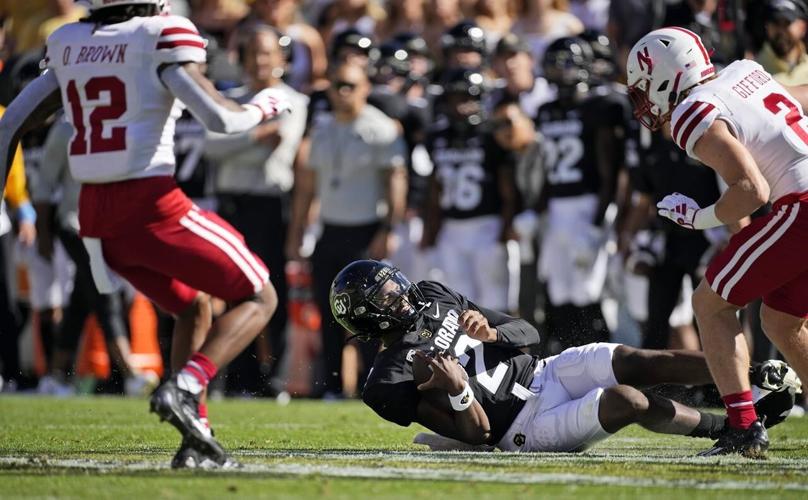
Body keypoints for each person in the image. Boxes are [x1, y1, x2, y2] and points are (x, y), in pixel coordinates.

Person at [0, 0, 292, 468]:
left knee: (192, 306)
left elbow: (10, 124)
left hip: (95, 214)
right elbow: (222, 120)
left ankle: (195, 439)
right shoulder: (157, 36)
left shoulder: (71, 42)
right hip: (151, 204)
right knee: (262, 297)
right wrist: (267, 103)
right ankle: (185, 385)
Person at [329, 259, 799, 453]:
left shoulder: (434, 295)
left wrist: (493, 329)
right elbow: (477, 434)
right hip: (521, 426)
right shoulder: (385, 383)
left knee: (634, 358)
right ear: (371, 318)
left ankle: (756, 375)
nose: (400, 293)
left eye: (393, 283)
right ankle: (729, 428)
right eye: (385, 296)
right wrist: (455, 392)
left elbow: (528, 332)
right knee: (624, 399)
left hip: (543, 372)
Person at [626, 26, 808, 457]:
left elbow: (752, 190)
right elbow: (798, 97)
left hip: (801, 206)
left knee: (710, 304)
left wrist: (699, 217)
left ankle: (743, 426)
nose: (644, 101)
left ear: (665, 76)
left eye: (643, 88)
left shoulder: (691, 112)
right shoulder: (744, 71)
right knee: (781, 321)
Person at [285, 61, 408, 398]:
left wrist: (388, 228)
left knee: (371, 314)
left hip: (367, 230)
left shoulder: (381, 128)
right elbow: (307, 187)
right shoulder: (322, 129)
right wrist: (297, 231)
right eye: (337, 85)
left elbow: (395, 180)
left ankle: (371, 382)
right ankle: (333, 385)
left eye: (350, 86)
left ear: (366, 88)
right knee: (327, 311)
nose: (342, 93)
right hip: (330, 229)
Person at [206, 25, 308, 399]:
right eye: (255, 54)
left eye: (268, 54)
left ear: (282, 59)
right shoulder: (230, 97)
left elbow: (283, 145)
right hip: (232, 203)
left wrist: (239, 137)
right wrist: (256, 136)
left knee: (272, 291)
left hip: (269, 205)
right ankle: (239, 376)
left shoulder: (294, 99)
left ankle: (275, 378)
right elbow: (210, 147)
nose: (261, 61)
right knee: (232, 290)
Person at [535, 36, 626, 350]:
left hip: (587, 205)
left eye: (568, 65)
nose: (561, 73)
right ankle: (567, 357)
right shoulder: (545, 111)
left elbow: (608, 172)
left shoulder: (599, 107)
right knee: (559, 290)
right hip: (558, 208)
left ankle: (598, 356)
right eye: (555, 66)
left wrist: (597, 223)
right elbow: (544, 168)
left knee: (588, 290)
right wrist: (538, 210)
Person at [422, 68, 518, 311]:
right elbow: (435, 188)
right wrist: (431, 231)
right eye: (457, 98)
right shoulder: (437, 136)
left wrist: (505, 228)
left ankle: (502, 350)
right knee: (458, 306)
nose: (463, 105)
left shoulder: (491, 135)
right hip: (452, 228)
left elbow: (508, 187)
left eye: (469, 98)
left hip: (487, 225)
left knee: (495, 305)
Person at [755, 0, 808, 86]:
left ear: (803, 27)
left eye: (787, 23)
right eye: (775, 23)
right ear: (767, 26)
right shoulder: (752, 72)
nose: (781, 31)